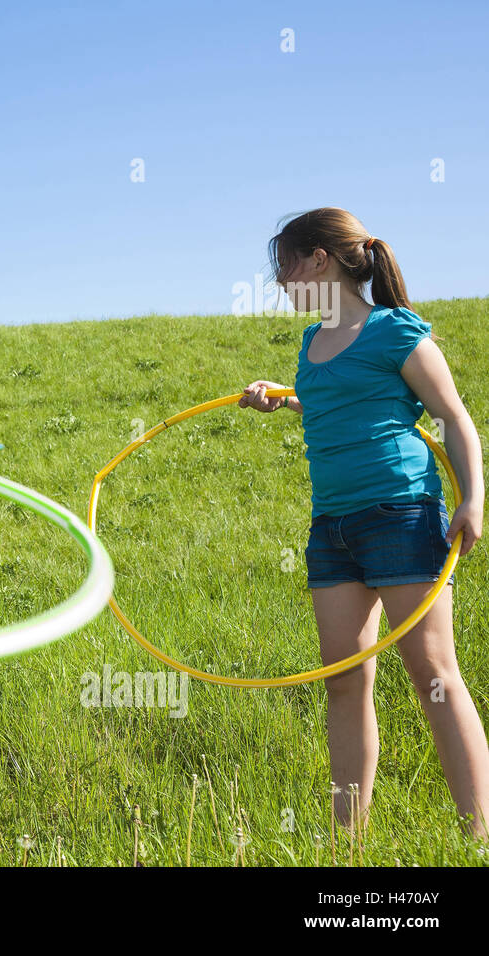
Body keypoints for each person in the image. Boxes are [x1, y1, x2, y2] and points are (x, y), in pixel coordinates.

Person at [240, 207, 487, 836]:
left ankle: (479, 832)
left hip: (402, 513)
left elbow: (453, 417)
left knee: (432, 674)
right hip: (333, 530)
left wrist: (471, 498)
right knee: (344, 681)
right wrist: (286, 398)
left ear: (320, 259)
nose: (281, 281)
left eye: (286, 265)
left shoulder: (394, 330)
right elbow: (340, 404)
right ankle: (347, 839)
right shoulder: (311, 341)